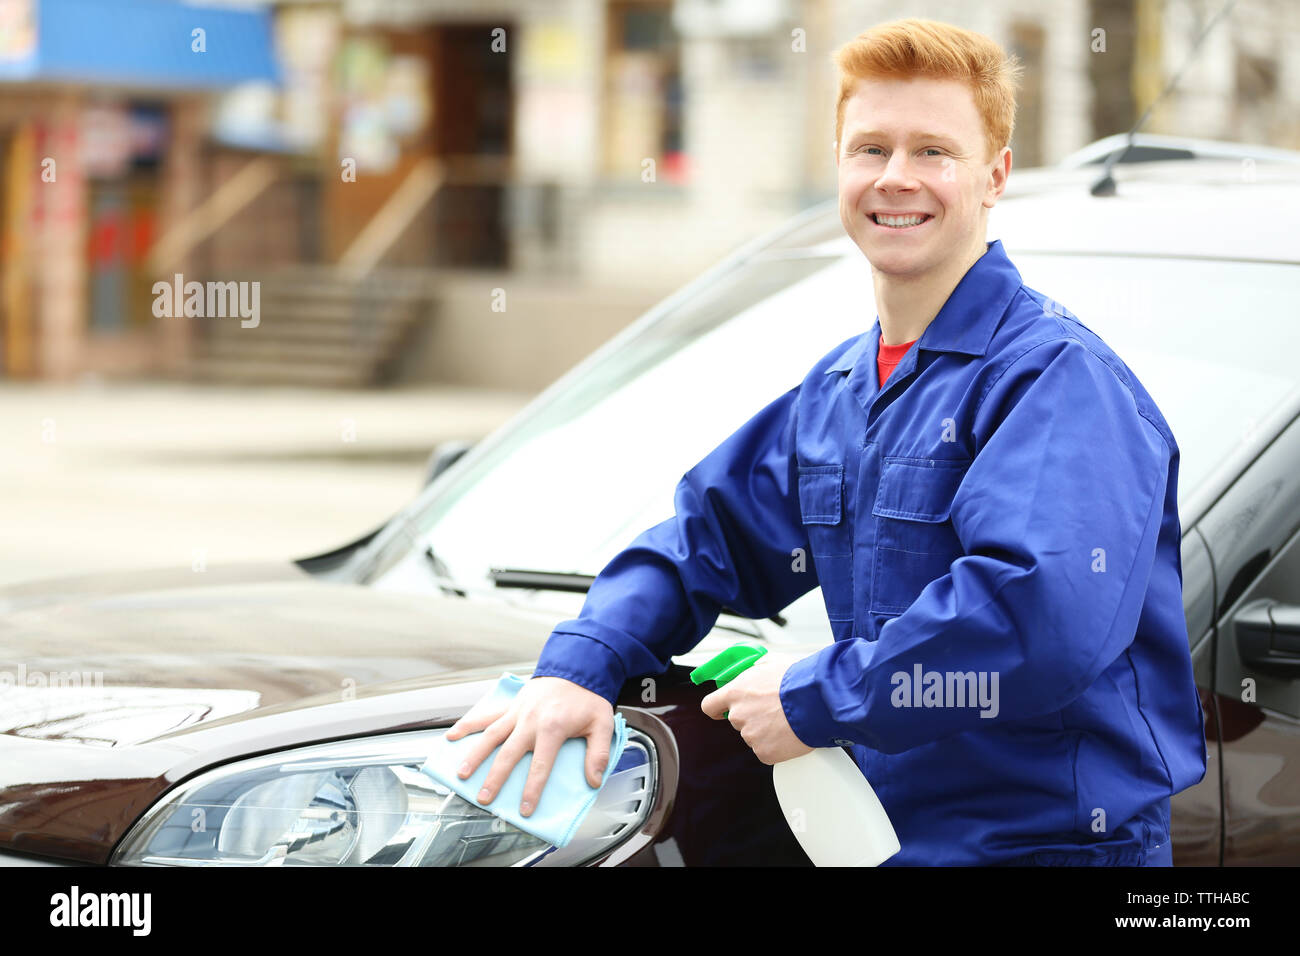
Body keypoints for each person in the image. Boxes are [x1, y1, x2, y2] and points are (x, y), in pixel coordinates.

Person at [446, 18, 1207, 866]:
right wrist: (579, 667)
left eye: (933, 152)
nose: (895, 176)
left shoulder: (1057, 382)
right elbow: (705, 539)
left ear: (995, 175)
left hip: (1047, 851)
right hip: (878, 841)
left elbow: (1035, 620)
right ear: (840, 165)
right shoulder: (842, 390)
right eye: (870, 148)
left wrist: (814, 698)